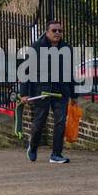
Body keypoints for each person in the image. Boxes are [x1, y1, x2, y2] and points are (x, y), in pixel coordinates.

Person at [19, 18, 77, 164]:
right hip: (41, 91)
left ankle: (56, 154)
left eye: (60, 30)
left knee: (60, 121)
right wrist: (24, 94)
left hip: (61, 92)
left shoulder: (67, 49)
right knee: (39, 122)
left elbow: (70, 73)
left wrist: (74, 95)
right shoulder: (36, 47)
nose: (57, 33)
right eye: (54, 30)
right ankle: (33, 147)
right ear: (47, 32)